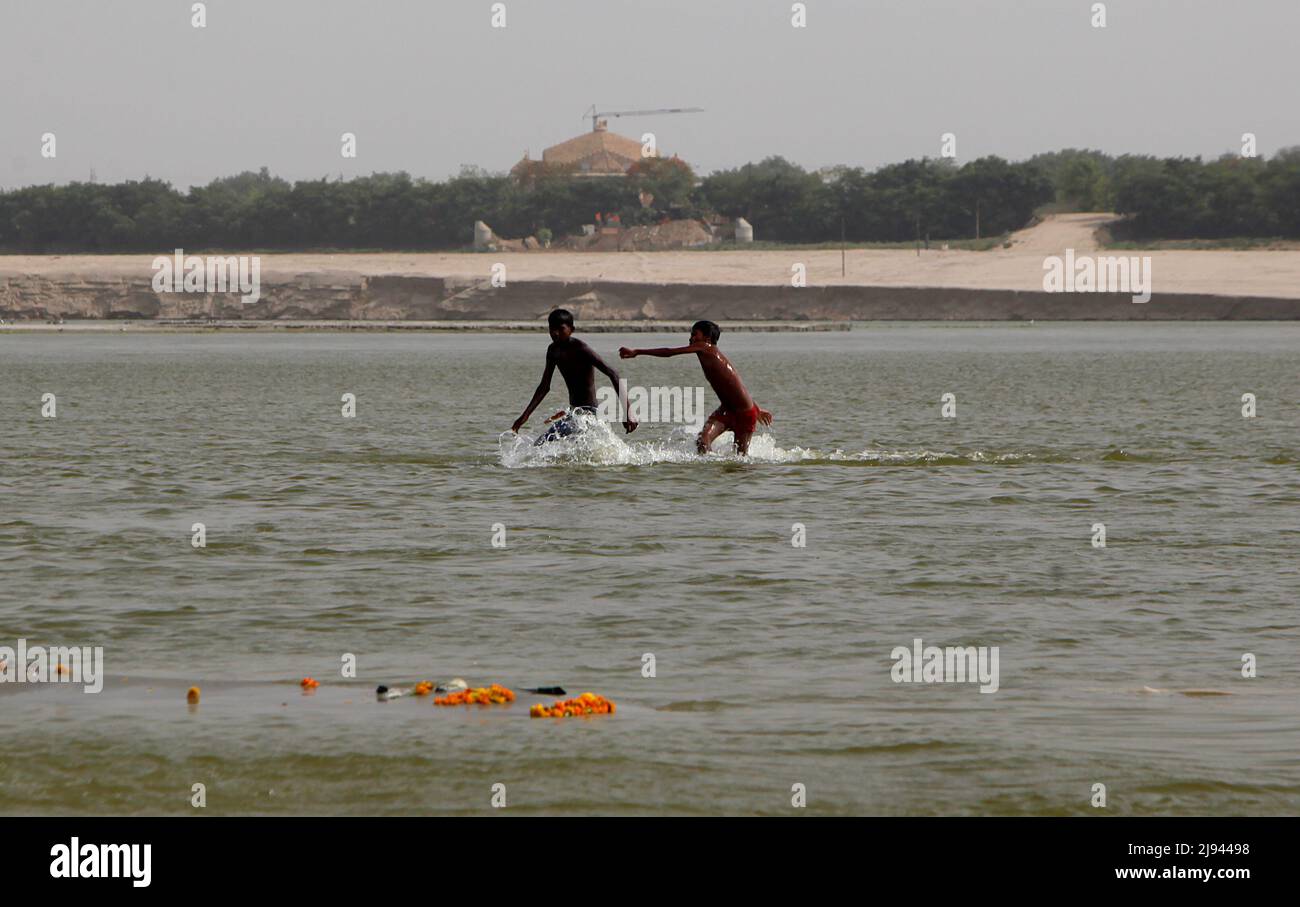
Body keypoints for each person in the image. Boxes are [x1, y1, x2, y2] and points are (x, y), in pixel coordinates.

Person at [619, 320, 772, 455]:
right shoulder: (709, 354)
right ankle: (710, 475)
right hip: (726, 410)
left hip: (744, 413)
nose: (691, 338)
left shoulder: (706, 348)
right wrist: (757, 408)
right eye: (691, 334)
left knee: (741, 460)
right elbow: (735, 386)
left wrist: (637, 352)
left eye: (695, 334)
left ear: (707, 338)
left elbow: (669, 352)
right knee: (703, 441)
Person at [512, 309, 636, 444]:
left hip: (589, 415)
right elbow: (544, 386)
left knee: (542, 444)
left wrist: (628, 411)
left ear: (572, 329)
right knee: (543, 445)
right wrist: (525, 416)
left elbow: (613, 374)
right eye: (552, 329)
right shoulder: (553, 351)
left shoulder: (581, 349)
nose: (555, 333)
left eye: (560, 329)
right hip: (574, 413)